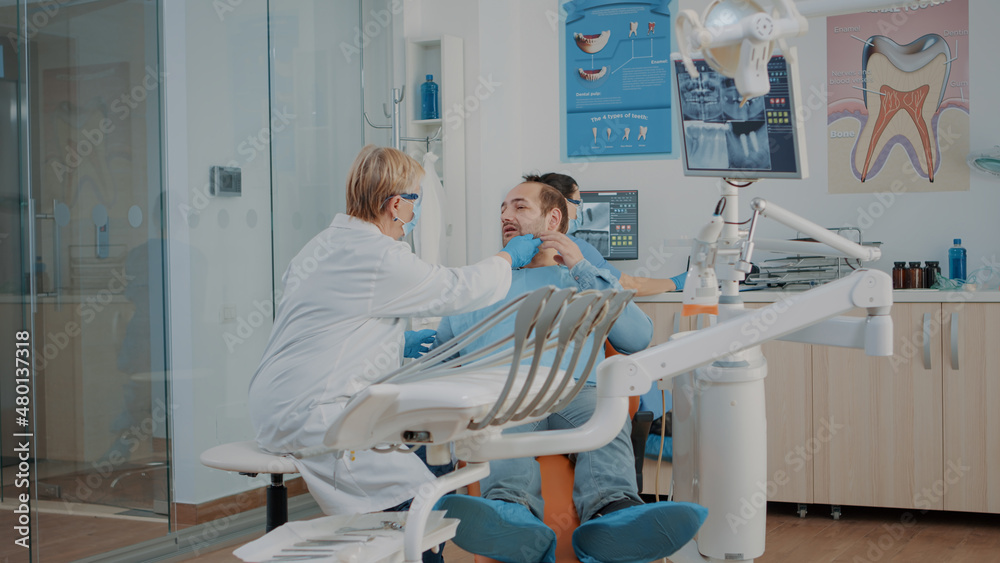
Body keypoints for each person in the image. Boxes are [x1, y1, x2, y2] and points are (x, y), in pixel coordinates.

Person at [246, 145, 542, 562]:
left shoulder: (322, 247)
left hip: (281, 397)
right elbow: (454, 289)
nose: (416, 213)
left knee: (423, 450)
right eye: (416, 200)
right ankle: (425, 531)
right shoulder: (377, 255)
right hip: (312, 411)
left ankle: (433, 518)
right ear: (396, 204)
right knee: (416, 509)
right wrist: (507, 259)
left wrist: (392, 344)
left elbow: (331, 324)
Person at [435, 181, 707, 563]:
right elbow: (443, 345)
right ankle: (511, 520)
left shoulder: (583, 279)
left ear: (553, 218)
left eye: (519, 207)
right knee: (501, 431)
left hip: (578, 391)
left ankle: (613, 515)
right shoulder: (485, 281)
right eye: (501, 209)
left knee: (605, 423)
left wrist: (582, 268)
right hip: (509, 392)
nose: (505, 217)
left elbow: (637, 337)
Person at [538, 172, 686, 297]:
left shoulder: (524, 241)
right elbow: (626, 285)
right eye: (577, 203)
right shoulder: (571, 245)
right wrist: (676, 282)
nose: (579, 209)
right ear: (562, 204)